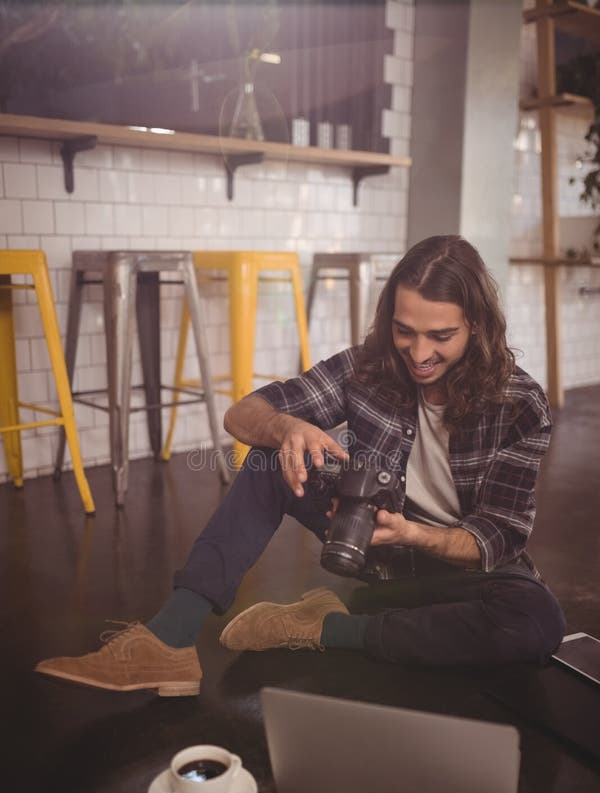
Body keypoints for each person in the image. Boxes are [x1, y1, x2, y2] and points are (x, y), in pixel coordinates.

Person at [35, 235, 566, 697]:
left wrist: (413, 533)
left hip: (455, 576)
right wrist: (287, 428)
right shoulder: (370, 366)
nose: (418, 352)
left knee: (537, 621)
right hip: (375, 561)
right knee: (270, 456)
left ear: (474, 325)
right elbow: (241, 413)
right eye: (406, 330)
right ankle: (170, 639)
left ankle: (327, 627)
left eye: (440, 337)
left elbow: (495, 537)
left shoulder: (518, 405)